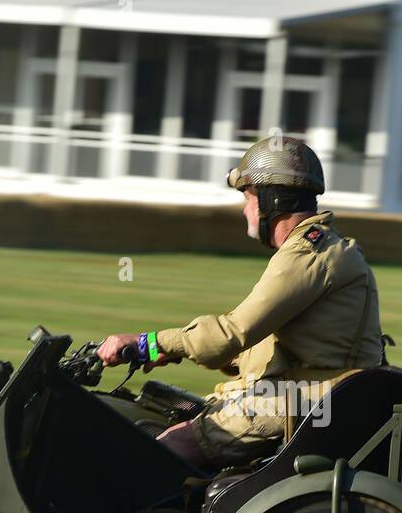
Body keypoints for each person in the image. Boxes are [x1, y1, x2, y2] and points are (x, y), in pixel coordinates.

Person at [97, 136, 383, 471]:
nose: (245, 209)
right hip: (319, 397)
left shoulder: (307, 253)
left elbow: (233, 332)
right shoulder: (318, 248)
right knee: (171, 415)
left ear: (272, 199)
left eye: (248, 198)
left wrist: (148, 343)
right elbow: (260, 345)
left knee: (166, 448)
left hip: (310, 400)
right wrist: (173, 350)